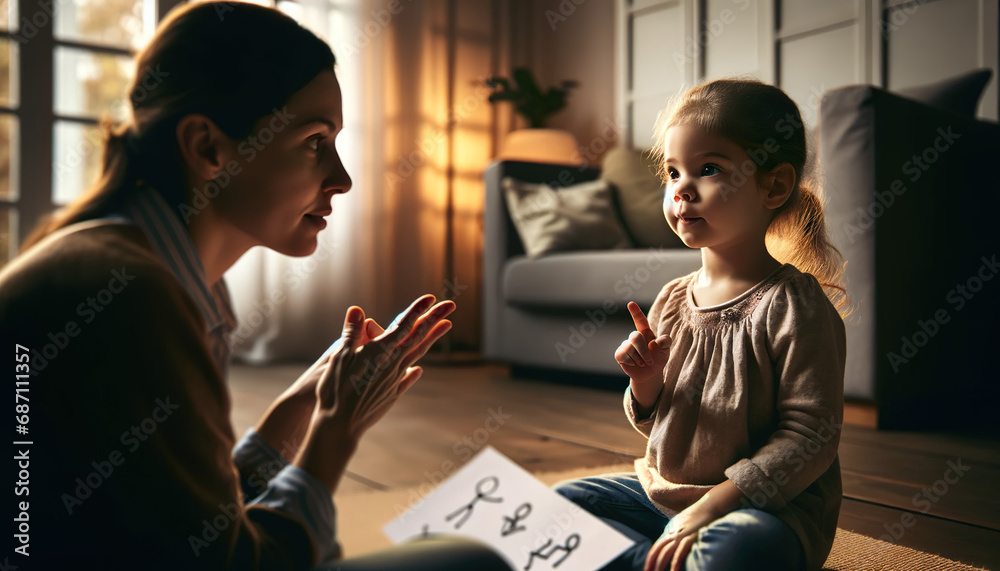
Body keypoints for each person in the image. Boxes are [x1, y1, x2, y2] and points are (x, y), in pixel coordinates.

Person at [0, 2, 508, 570]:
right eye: (315, 141)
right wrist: (335, 432)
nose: (341, 179)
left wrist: (305, 403)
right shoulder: (129, 294)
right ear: (208, 148)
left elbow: (184, 513)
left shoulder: (161, 274)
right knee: (476, 561)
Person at [554, 78, 851, 571]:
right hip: (669, 497)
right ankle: (658, 562)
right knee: (562, 503)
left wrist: (712, 507)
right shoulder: (672, 299)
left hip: (764, 512)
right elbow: (661, 425)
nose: (681, 190)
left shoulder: (796, 305)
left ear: (773, 184)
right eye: (672, 173)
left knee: (737, 551)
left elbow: (811, 438)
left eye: (708, 169)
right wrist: (646, 382)